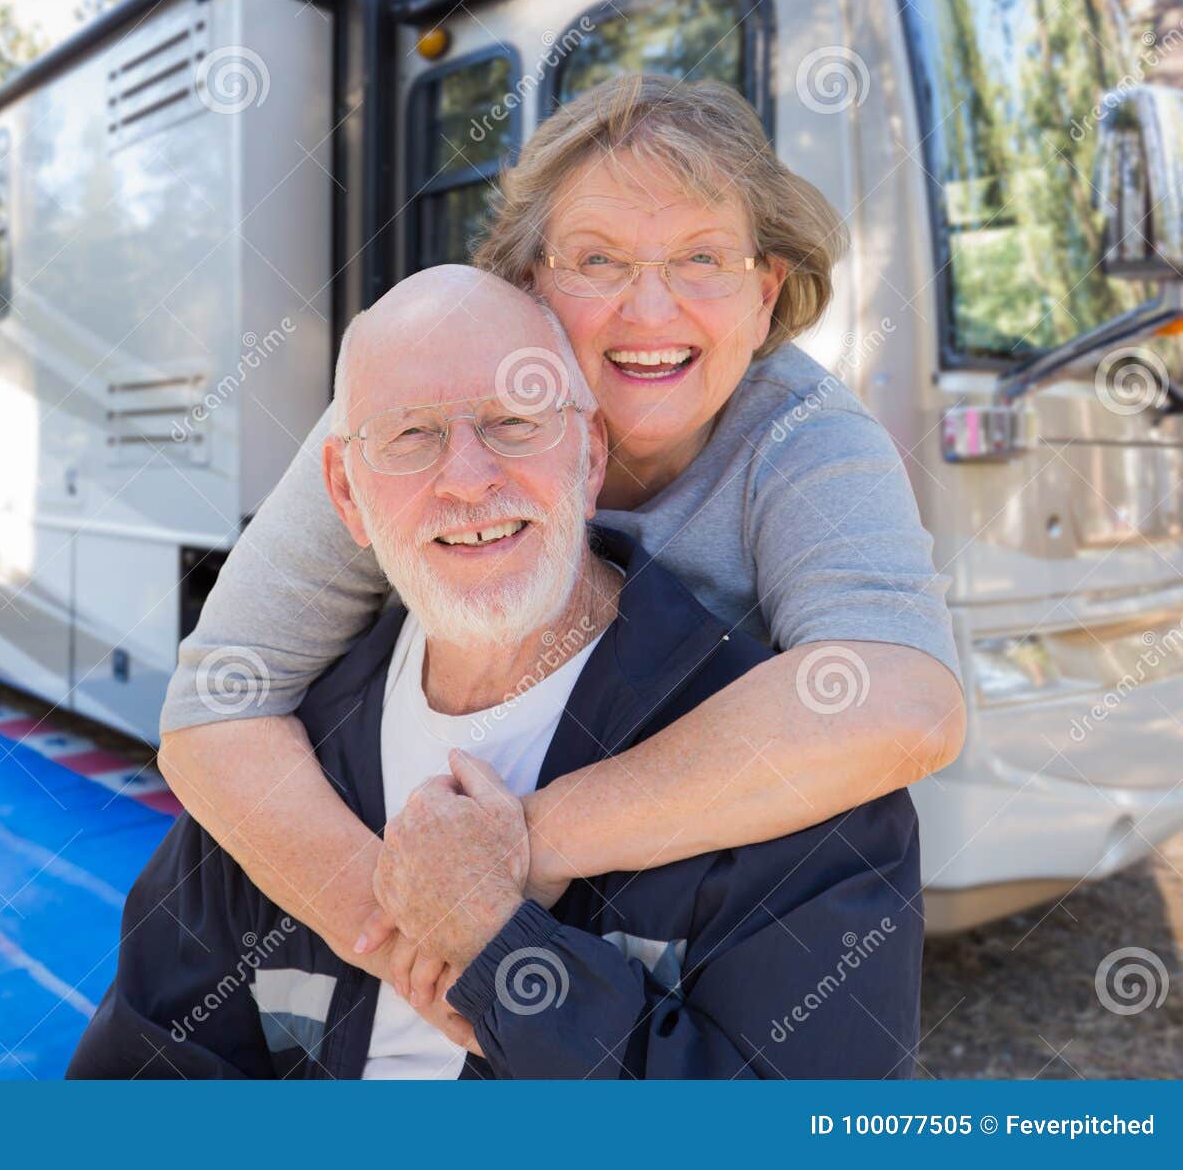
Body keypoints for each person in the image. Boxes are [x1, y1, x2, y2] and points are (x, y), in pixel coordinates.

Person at [157, 74, 964, 1042]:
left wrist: (518, 844)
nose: (650, 310)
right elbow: (217, 699)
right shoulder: (407, 423)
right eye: (598, 259)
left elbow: (905, 700)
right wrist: (404, 936)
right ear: (527, 284)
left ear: (764, 297)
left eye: (701, 258)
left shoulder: (801, 436)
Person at [65, 270, 922, 1079]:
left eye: (515, 421)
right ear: (347, 493)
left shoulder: (791, 776)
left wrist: (505, 957)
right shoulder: (287, 767)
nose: (467, 478)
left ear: (589, 457)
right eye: (411, 435)